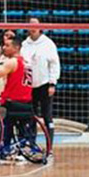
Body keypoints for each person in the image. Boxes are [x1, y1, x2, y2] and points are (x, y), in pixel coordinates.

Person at [20, 18, 60, 152]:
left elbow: (54, 64)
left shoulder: (48, 44)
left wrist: (52, 83)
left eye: (35, 25)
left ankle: (50, 146)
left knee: (47, 116)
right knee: (30, 116)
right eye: (30, 24)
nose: (32, 27)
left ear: (40, 26)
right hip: (28, 86)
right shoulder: (24, 44)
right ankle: (31, 144)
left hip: (44, 85)